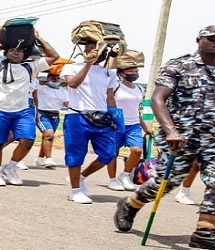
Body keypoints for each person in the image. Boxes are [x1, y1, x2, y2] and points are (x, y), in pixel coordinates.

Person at [113, 25, 215, 250]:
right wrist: (171, 130)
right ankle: (131, 204)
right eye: (213, 38)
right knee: (167, 182)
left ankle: (206, 231)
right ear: (199, 40)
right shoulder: (178, 65)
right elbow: (158, 99)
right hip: (181, 137)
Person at [0, 26, 59, 186]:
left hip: (22, 111)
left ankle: (10, 168)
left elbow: (54, 56)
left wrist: (38, 37)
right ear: (5, 51)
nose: (16, 52)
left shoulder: (31, 67)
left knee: (28, 140)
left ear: (26, 53)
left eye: (21, 50)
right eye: (12, 49)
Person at [60, 41, 119, 204]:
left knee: (109, 154)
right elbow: (73, 84)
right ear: (85, 51)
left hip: (102, 118)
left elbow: (110, 97)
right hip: (77, 117)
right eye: (90, 49)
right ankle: (75, 190)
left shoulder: (108, 73)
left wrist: (115, 117)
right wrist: (87, 64)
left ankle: (82, 177)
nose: (93, 52)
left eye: (97, 49)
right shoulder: (71, 67)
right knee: (76, 155)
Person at [104, 56, 153, 191]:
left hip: (134, 125)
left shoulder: (139, 89)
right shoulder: (116, 87)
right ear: (121, 73)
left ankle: (124, 174)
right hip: (116, 124)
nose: (134, 73)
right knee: (113, 152)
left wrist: (145, 127)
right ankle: (112, 180)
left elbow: (136, 110)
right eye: (130, 70)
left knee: (137, 151)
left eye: (136, 70)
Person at [34, 73, 68, 168]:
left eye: (57, 78)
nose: (55, 80)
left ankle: (40, 158)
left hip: (55, 115)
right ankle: (49, 158)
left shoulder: (63, 91)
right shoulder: (41, 88)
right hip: (42, 114)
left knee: (47, 137)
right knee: (49, 134)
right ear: (48, 78)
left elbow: (67, 103)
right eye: (53, 78)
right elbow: (33, 85)